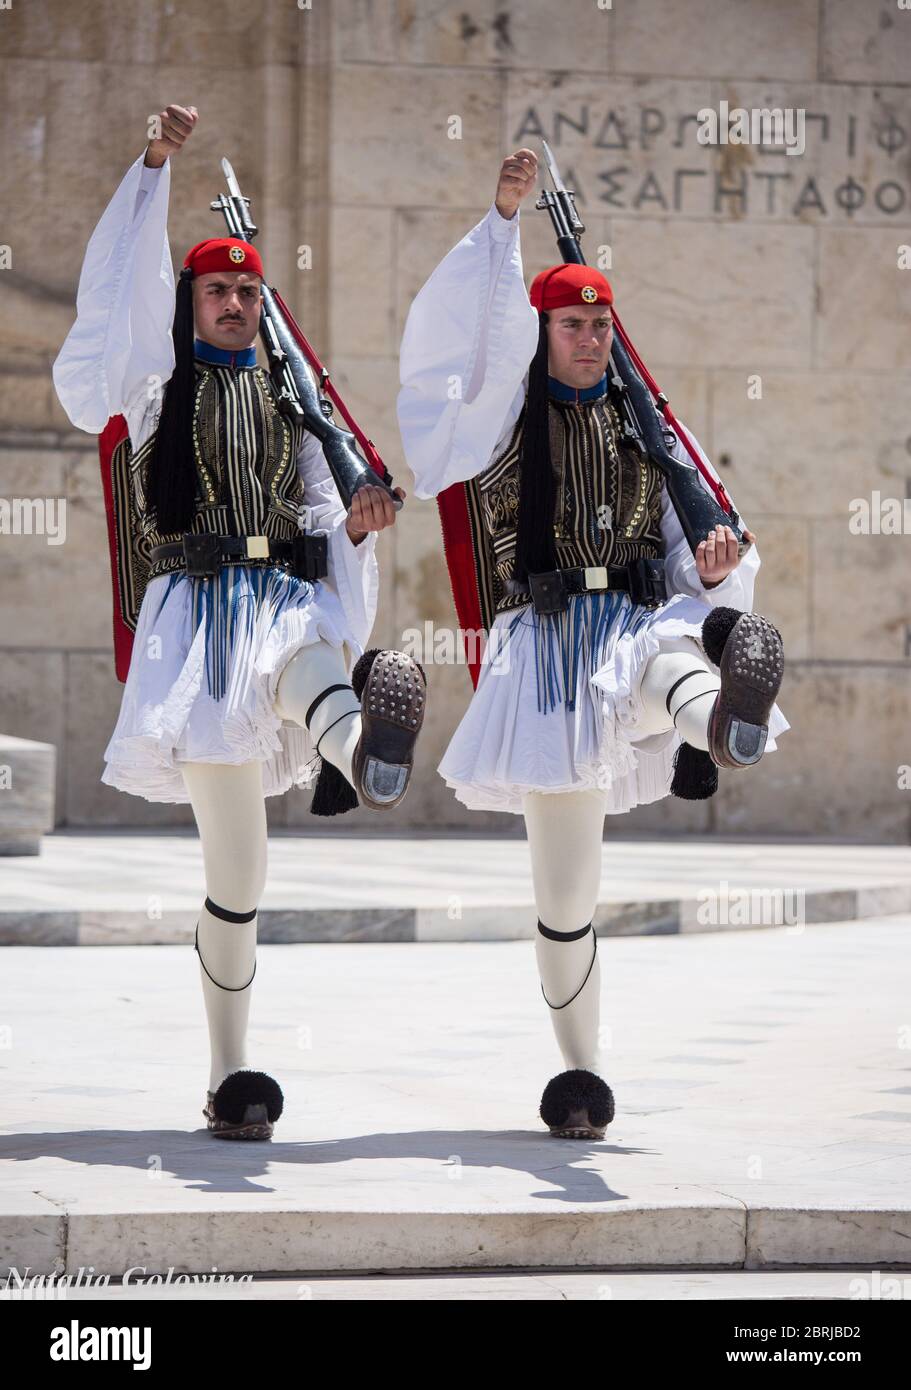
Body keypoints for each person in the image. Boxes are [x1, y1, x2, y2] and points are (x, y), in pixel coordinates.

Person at [396, 148, 789, 1140]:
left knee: (666, 660)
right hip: (542, 652)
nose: (587, 339)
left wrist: (711, 557)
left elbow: (700, 548)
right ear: (541, 330)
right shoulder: (496, 420)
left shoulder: (645, 429)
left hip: (635, 623)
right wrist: (499, 220)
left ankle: (721, 722)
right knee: (565, 895)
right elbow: (458, 349)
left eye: (599, 325)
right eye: (571, 325)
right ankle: (579, 1074)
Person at [53, 104, 426, 1141]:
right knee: (237, 875)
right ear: (190, 301)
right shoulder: (153, 382)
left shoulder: (290, 396)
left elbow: (317, 504)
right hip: (194, 626)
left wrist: (354, 517)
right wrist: (152, 167)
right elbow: (116, 295)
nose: (234, 303)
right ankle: (231, 1077)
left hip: (283, 599)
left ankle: (362, 749)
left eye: (249, 290)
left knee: (311, 659)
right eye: (216, 289)